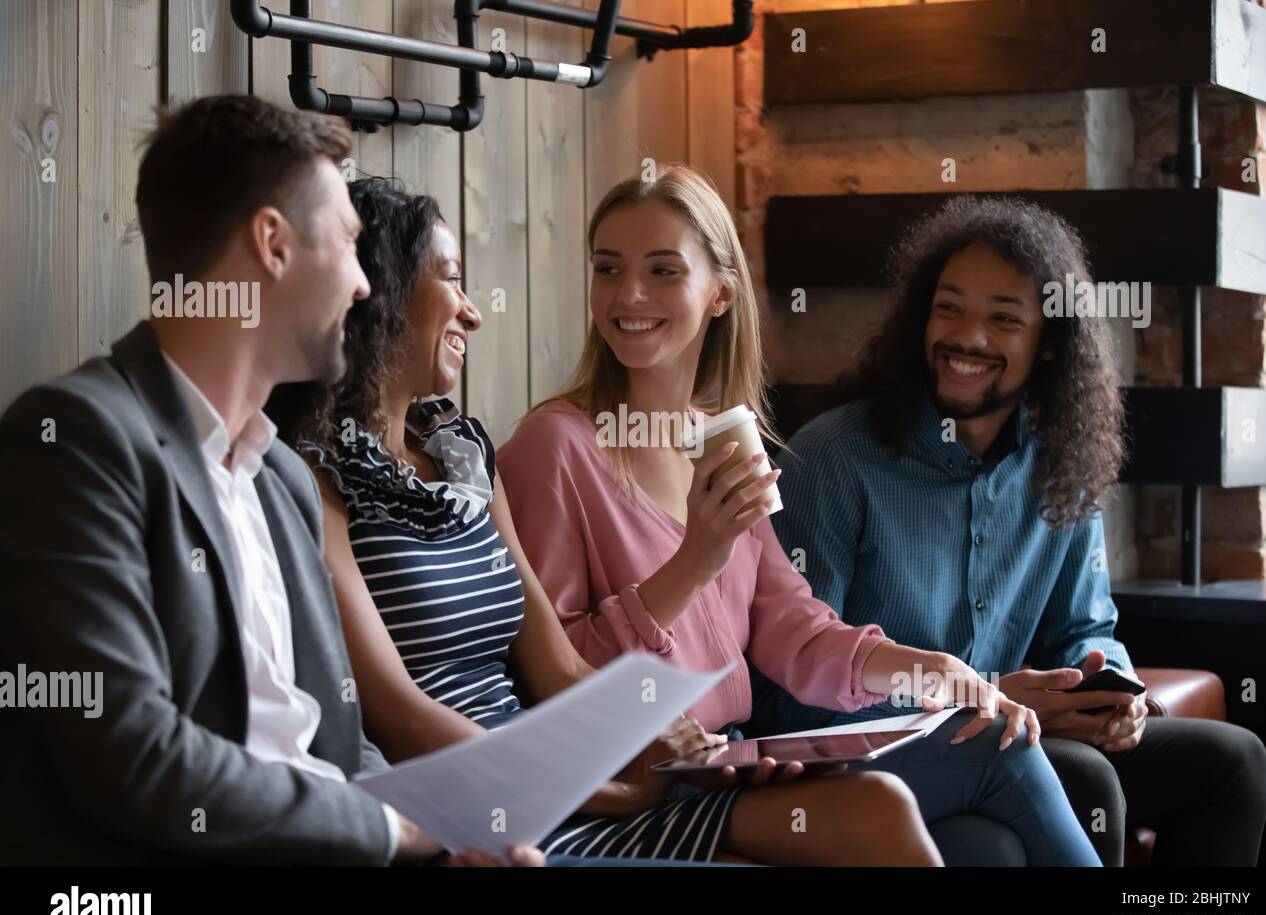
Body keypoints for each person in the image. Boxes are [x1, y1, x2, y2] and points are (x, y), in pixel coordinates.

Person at [267, 175, 945, 866]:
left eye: (662, 270)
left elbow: (555, 666)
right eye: (450, 280)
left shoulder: (463, 452)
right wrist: (613, 786)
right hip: (485, 798)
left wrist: (662, 748)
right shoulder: (312, 477)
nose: (473, 312)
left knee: (879, 808)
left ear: (722, 293)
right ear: (373, 292)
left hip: (598, 768)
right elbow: (397, 715)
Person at [497, 166, 1101, 866]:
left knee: (985, 813)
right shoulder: (554, 447)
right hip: (642, 784)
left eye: (663, 271)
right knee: (1007, 757)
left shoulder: (724, 438)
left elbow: (796, 632)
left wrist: (927, 670)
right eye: (608, 268)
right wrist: (696, 560)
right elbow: (549, 678)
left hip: (735, 762)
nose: (628, 295)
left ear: (720, 293)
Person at [4, 94, 537, 866]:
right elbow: (135, 756)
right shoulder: (76, 442)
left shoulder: (282, 477)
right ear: (273, 244)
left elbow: (340, 750)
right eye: (350, 245)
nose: (363, 286)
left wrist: (447, 840)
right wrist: (399, 835)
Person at [745, 195, 1266, 866]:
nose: (969, 337)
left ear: (1048, 344)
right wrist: (986, 695)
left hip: (1018, 731)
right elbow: (794, 689)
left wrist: (1114, 692)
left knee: (1233, 762)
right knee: (1082, 782)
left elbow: (1084, 630)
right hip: (893, 750)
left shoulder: (1062, 466)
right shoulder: (832, 461)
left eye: (1003, 319)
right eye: (949, 309)